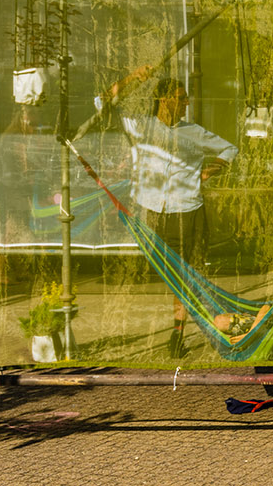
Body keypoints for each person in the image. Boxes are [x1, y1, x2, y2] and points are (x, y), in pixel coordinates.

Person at [102, 66, 238, 357]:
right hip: (151, 212)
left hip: (186, 211)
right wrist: (135, 77)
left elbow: (230, 149)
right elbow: (103, 102)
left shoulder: (194, 132)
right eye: (181, 97)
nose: (187, 103)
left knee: (185, 276)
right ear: (164, 99)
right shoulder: (141, 126)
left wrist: (210, 170)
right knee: (163, 275)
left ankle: (178, 335)